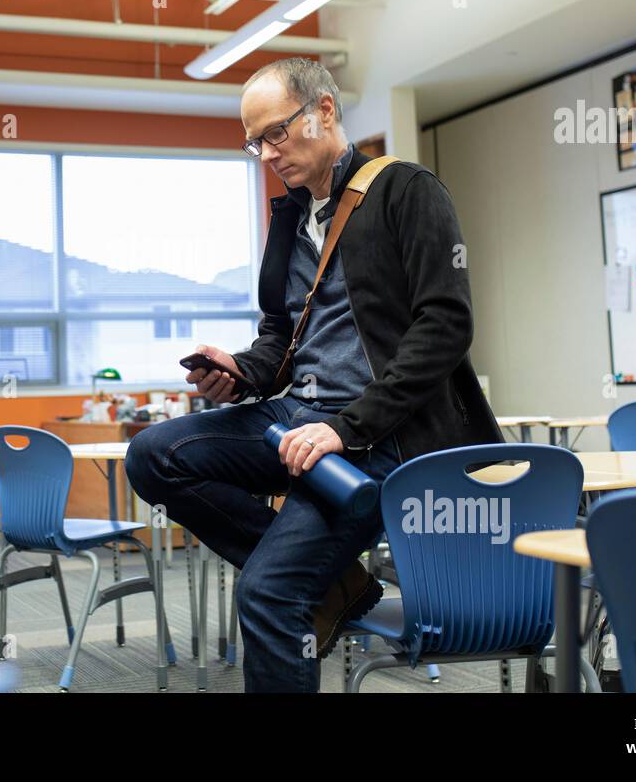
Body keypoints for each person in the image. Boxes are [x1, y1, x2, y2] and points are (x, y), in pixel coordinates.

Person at [125, 57, 502, 692]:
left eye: (276, 133)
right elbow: (282, 333)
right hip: (295, 417)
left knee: (269, 593)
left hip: (382, 435)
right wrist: (240, 374)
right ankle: (339, 582)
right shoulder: (290, 218)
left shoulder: (407, 191)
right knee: (153, 456)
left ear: (324, 111)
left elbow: (445, 326)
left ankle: (304, 581)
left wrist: (346, 429)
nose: (266, 153)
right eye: (254, 141)